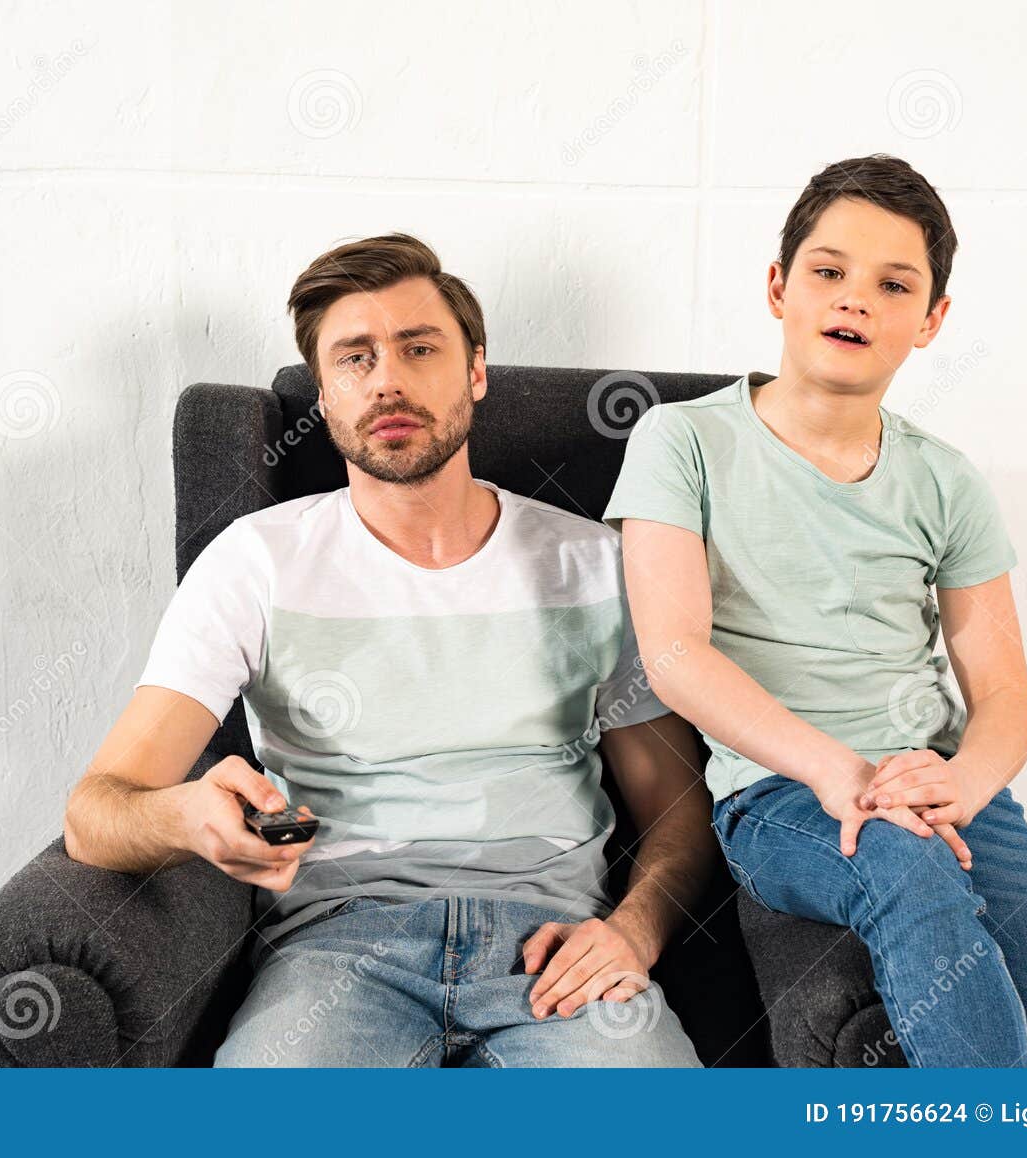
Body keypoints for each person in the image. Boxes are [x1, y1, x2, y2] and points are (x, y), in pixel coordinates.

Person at [64, 233, 710, 1067]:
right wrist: (184, 816)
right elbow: (94, 815)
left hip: (556, 950)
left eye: (418, 348)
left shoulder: (598, 564)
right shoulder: (257, 561)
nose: (387, 380)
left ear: (476, 372)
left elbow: (677, 807)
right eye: (355, 359)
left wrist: (635, 930)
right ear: (326, 397)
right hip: (336, 951)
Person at [604, 155, 1027, 1067]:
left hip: (936, 784)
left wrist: (963, 784)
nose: (855, 300)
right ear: (779, 287)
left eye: (894, 285)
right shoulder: (681, 439)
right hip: (778, 793)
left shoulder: (945, 478)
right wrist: (835, 769)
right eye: (829, 272)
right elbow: (676, 652)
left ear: (931, 321)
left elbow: (1006, 693)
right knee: (900, 859)